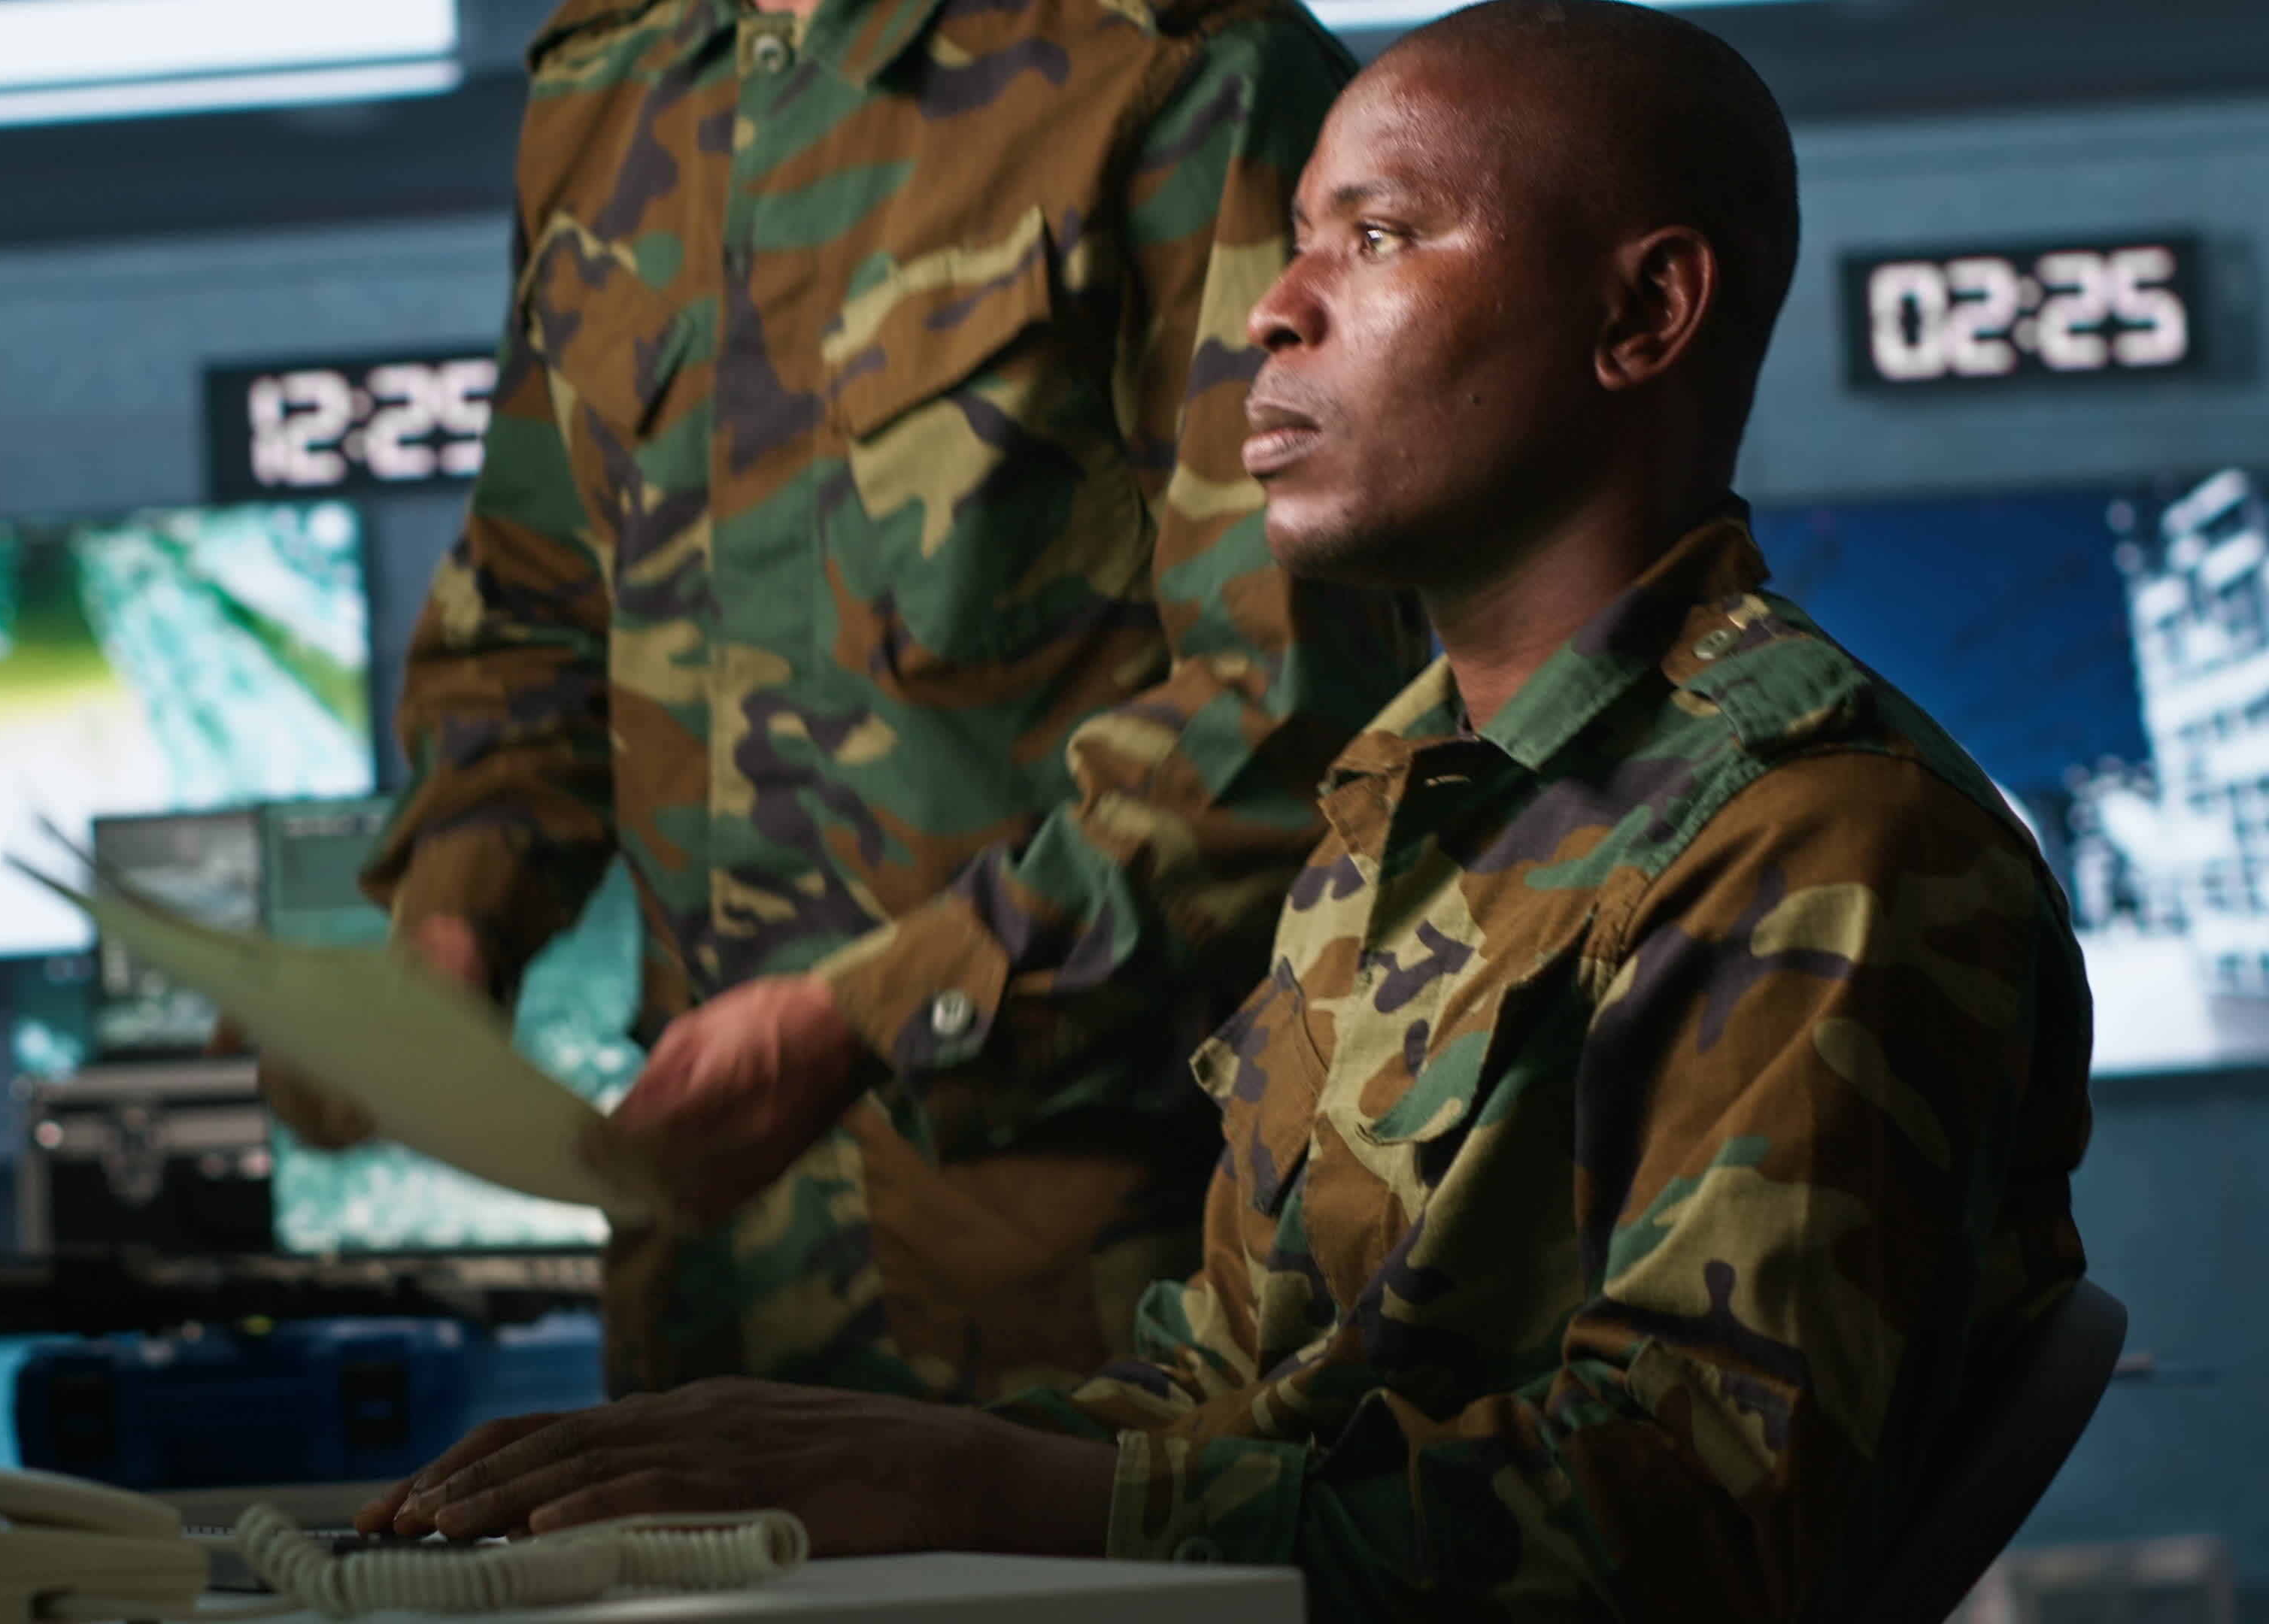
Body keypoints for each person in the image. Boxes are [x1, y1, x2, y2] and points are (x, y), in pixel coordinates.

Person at [340, 4, 2099, 1618]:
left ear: (1641, 315)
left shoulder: (1822, 839)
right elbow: (1224, 1392)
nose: (1275, 304)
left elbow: (1703, 1529)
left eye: (1381, 239)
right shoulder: (1405, 811)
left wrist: (975, 1478)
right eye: (1301, 238)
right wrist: (815, 1464)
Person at [276, 0, 1430, 1402]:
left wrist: (871, 1018)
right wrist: (450, 935)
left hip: (1101, 1275)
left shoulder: (1175, 68)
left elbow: (1302, 701)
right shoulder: (610, 84)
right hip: (699, 1272)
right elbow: (537, 607)